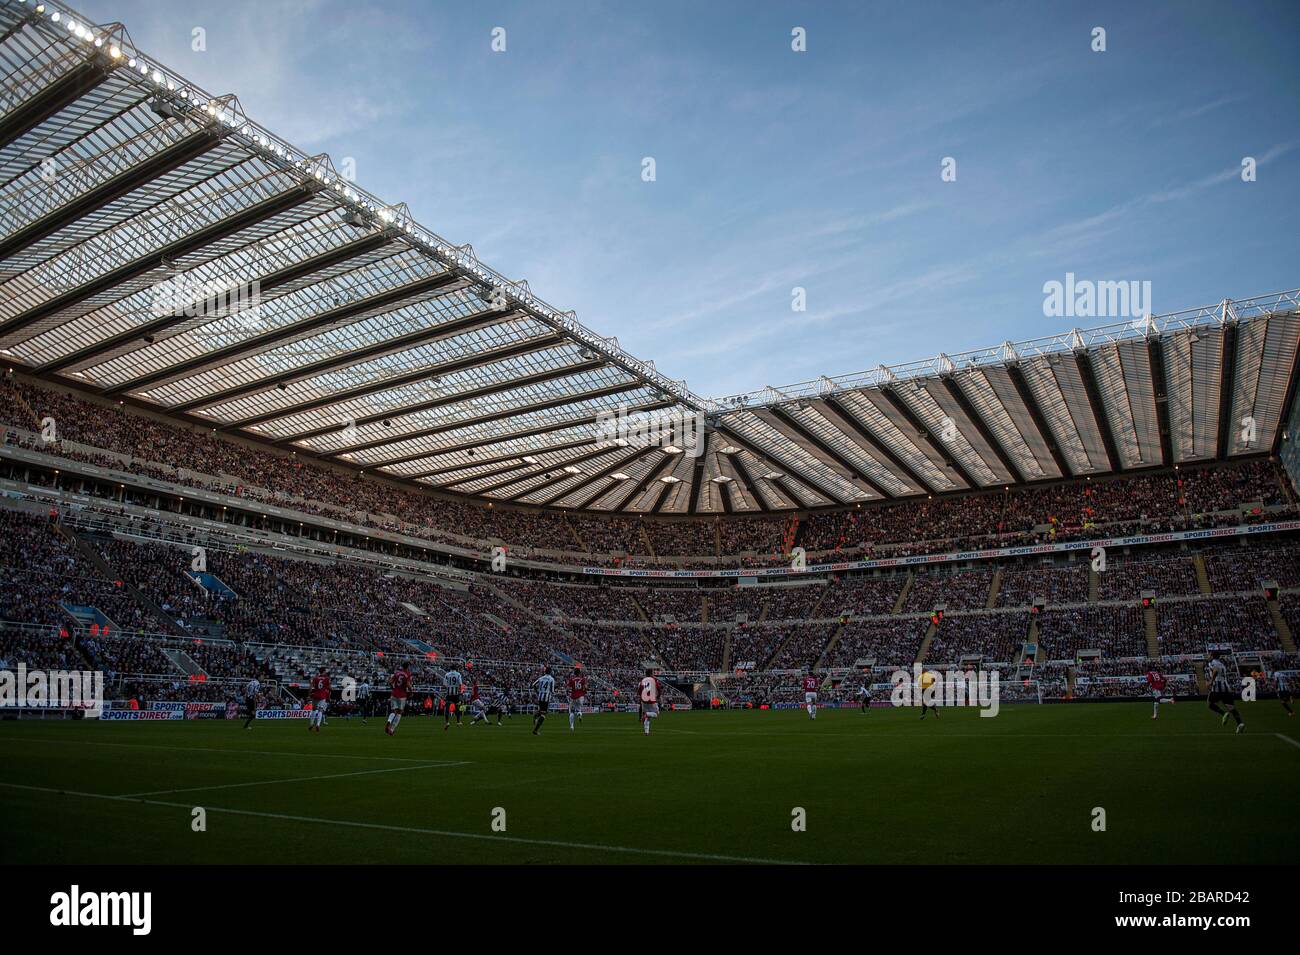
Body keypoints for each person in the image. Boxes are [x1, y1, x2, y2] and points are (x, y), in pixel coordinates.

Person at [1206, 651, 1244, 733]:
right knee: (1231, 707)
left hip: (1217, 687)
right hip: (1226, 687)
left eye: (1209, 655)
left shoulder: (1212, 662)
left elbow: (1215, 671)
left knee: (1210, 704)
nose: (1208, 656)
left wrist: (1211, 681)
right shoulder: (1221, 664)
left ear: (1212, 656)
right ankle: (1240, 723)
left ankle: (1224, 714)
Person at [386, 664, 411, 736]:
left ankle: (389, 721)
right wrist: (411, 691)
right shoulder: (407, 674)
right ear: (407, 668)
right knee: (400, 712)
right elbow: (408, 685)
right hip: (402, 695)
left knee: (393, 711)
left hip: (394, 694)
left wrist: (392, 688)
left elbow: (390, 682)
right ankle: (392, 729)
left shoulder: (397, 673)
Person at [532, 665, 555, 735]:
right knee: (544, 714)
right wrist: (553, 694)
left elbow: (533, 685)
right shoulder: (551, 679)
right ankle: (535, 730)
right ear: (550, 672)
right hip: (546, 698)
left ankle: (536, 715)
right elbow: (552, 690)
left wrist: (537, 692)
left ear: (545, 671)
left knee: (542, 711)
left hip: (540, 697)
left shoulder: (541, 678)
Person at [639, 668, 662, 736]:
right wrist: (658, 696)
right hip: (651, 700)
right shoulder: (654, 680)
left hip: (644, 700)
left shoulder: (643, 680)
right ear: (651, 673)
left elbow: (639, 691)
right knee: (656, 714)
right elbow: (659, 689)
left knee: (648, 718)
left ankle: (646, 732)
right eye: (653, 672)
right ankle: (646, 714)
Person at [308, 667, 330, 733]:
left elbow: (311, 687)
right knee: (320, 710)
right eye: (325, 671)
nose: (325, 672)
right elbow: (329, 687)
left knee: (314, 709)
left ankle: (311, 724)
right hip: (322, 696)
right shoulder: (326, 678)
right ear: (323, 671)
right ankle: (318, 725)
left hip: (316, 695)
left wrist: (309, 695)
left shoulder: (315, 678)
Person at [566, 665, 587, 731]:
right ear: (579, 673)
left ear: (574, 673)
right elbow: (585, 687)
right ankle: (579, 714)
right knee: (579, 709)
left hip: (573, 697)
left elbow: (568, 688)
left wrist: (567, 693)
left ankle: (572, 726)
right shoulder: (583, 679)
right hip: (581, 697)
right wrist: (584, 692)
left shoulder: (571, 679)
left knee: (571, 712)